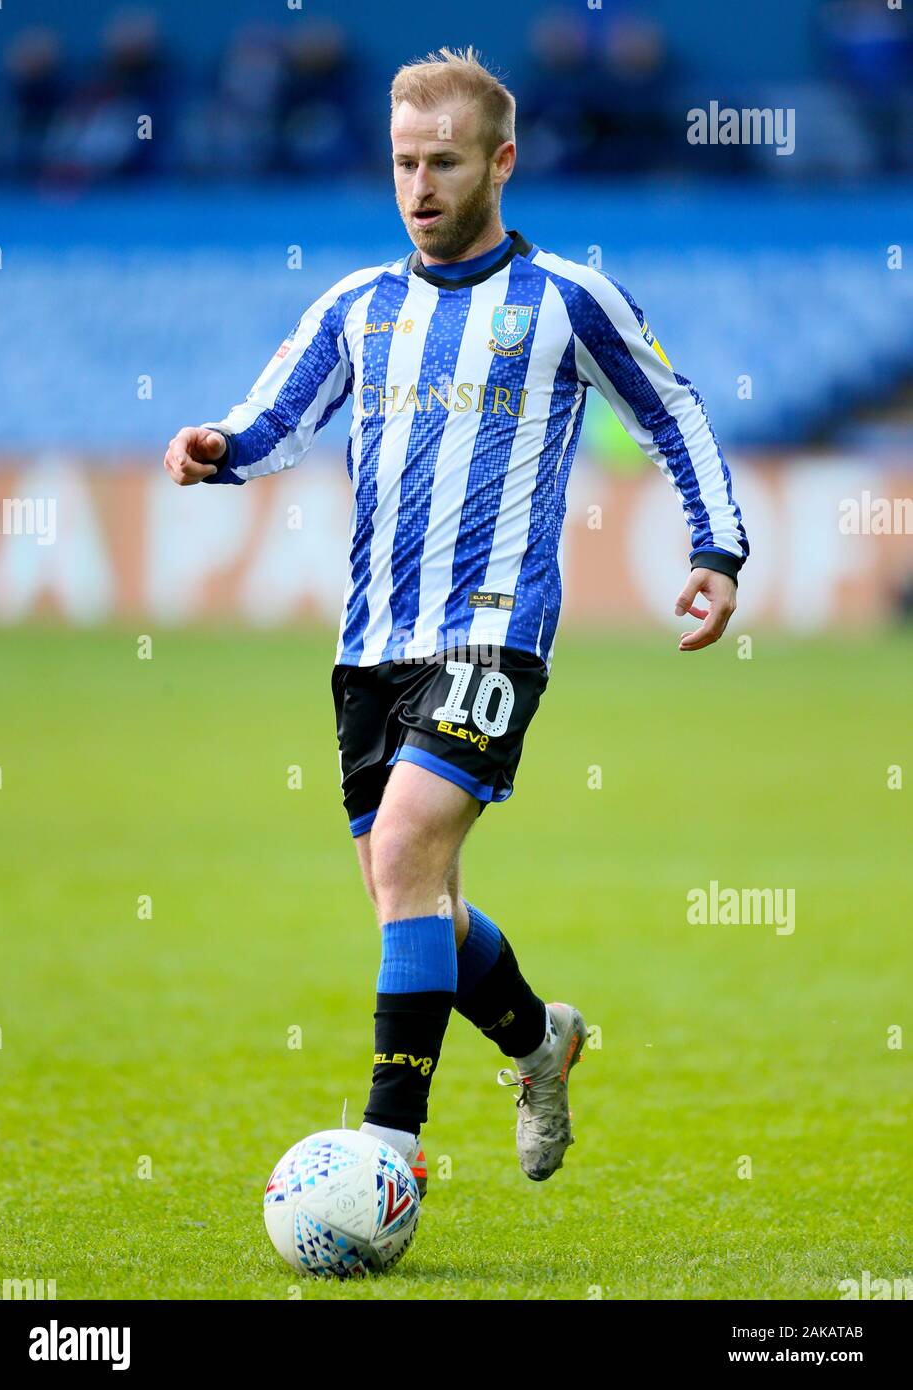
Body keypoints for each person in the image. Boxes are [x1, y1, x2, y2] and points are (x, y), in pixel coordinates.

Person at [163, 46, 749, 1200]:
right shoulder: (357, 306)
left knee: (407, 849)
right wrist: (219, 449)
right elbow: (276, 416)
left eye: (443, 162)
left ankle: (387, 1150)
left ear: (501, 162)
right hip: (370, 642)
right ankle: (540, 1042)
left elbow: (673, 415)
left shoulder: (570, 301)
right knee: (413, 894)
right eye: (402, 163)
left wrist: (715, 552)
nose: (419, 185)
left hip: (493, 630)